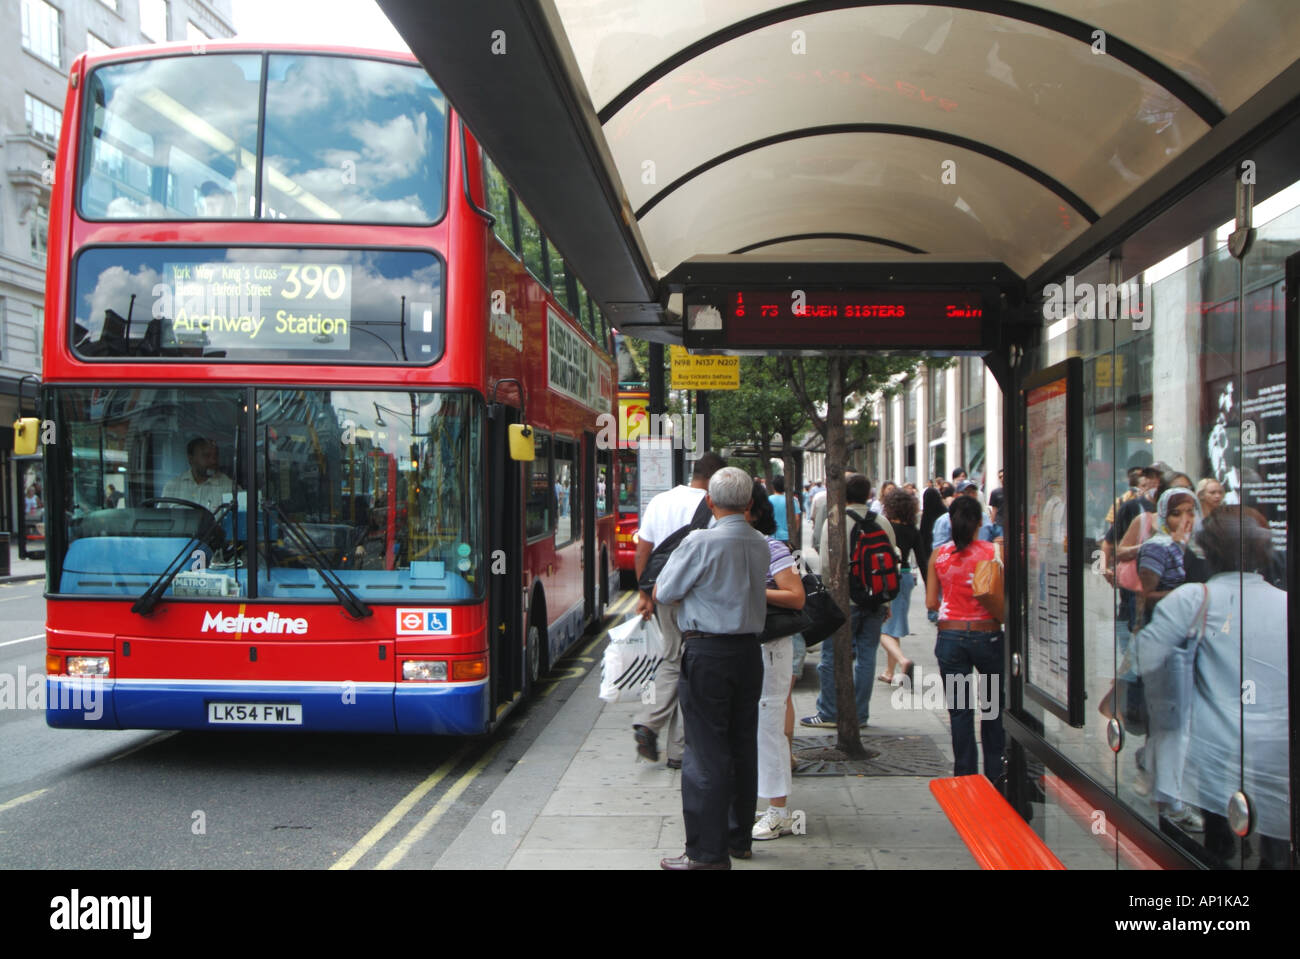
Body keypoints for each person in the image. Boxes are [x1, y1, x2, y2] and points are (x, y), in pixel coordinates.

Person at [1134, 508, 1288, 866]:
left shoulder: (1192, 599)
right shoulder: (1286, 604)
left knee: (1212, 846)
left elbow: (1144, 658)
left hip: (1212, 751)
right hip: (1276, 752)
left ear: (1206, 549)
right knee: (1276, 847)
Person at [655, 467, 771, 870]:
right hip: (747, 654)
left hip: (707, 653)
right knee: (742, 744)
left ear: (710, 502)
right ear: (751, 504)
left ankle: (706, 853)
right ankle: (739, 837)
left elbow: (665, 591)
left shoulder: (699, 541)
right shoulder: (760, 543)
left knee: (705, 752)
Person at [632, 452, 726, 769]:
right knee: (696, 669)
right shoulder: (715, 507)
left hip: (663, 593)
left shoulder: (661, 501)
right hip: (699, 598)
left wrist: (646, 593)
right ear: (716, 480)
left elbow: (643, 550)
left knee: (674, 660)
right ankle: (678, 750)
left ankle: (650, 722)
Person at [800, 474, 897, 728]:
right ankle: (860, 714)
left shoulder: (835, 520)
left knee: (832, 656)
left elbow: (825, 565)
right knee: (867, 657)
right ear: (869, 494)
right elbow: (890, 563)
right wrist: (886, 604)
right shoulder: (882, 522)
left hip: (845, 601)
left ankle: (830, 712)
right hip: (876, 600)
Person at [926, 495, 1003, 781]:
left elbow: (932, 603)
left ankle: (965, 777)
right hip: (988, 638)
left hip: (950, 639)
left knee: (960, 711)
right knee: (992, 708)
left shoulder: (940, 555)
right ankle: (996, 776)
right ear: (980, 522)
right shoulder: (993, 552)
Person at [745, 483, 805, 842]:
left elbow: (795, 596)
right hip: (748, 647)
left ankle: (779, 811)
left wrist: (751, 589)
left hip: (770, 647)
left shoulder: (770, 547)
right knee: (757, 727)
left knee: (769, 727)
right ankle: (768, 805)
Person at [877, 488, 918, 686]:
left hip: (889, 577)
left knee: (881, 628)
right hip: (907, 576)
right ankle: (890, 671)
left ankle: (903, 661)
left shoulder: (885, 527)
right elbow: (923, 557)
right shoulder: (912, 529)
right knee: (893, 628)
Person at [162, 437, 234, 512]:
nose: (213, 461)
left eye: (215, 456)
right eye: (207, 456)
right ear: (191, 459)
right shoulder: (172, 487)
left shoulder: (229, 488)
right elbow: (162, 521)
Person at [930, 479, 983, 550]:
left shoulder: (983, 517)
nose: (970, 495)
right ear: (956, 495)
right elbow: (938, 550)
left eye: (973, 492)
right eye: (966, 492)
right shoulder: (944, 520)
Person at [915, 487, 945, 585]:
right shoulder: (945, 514)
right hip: (943, 553)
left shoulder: (926, 516)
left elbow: (923, 536)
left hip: (929, 553)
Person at [768, 474, 800, 545]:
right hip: (787, 537)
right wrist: (794, 532)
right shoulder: (792, 501)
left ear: (773, 486)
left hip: (772, 536)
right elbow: (797, 518)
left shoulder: (768, 500)